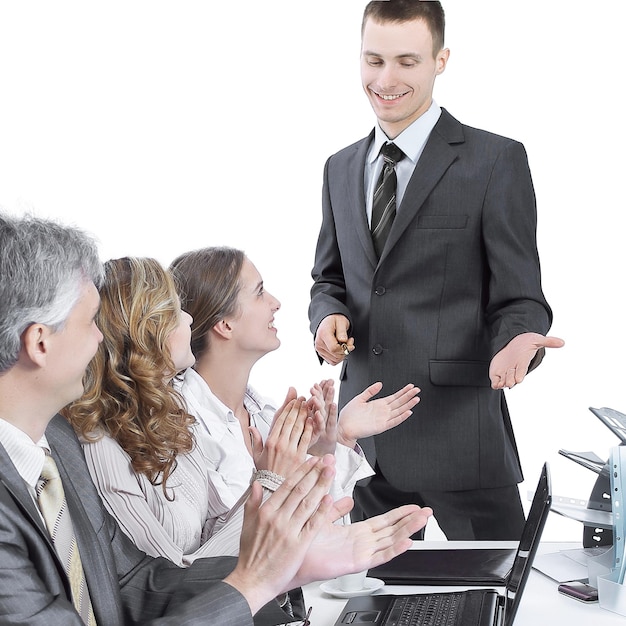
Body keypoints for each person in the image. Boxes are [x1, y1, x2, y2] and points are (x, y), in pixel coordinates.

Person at [0, 212, 432, 625]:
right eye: (92, 321)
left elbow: (134, 583)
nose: (103, 337)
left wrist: (296, 565)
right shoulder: (88, 442)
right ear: (40, 343)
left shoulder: (58, 451)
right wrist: (257, 573)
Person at [308, 0, 565, 541]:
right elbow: (329, 277)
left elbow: (521, 297)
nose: (386, 78)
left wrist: (518, 342)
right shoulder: (339, 167)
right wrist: (325, 318)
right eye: (373, 60)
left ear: (440, 61)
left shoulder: (495, 161)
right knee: (378, 607)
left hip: (459, 433)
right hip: (368, 442)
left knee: (497, 595)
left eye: (407, 61)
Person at [63, 257, 313, 567]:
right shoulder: (102, 445)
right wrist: (272, 482)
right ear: (148, 329)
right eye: (176, 309)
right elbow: (168, 578)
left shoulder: (169, 419)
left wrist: (263, 484)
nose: (190, 320)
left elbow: (212, 534)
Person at [169, 246, 421, 516]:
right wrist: (270, 477)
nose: (275, 302)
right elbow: (229, 549)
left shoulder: (264, 416)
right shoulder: (180, 431)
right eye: (259, 292)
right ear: (225, 325)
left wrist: (337, 441)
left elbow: (319, 531)